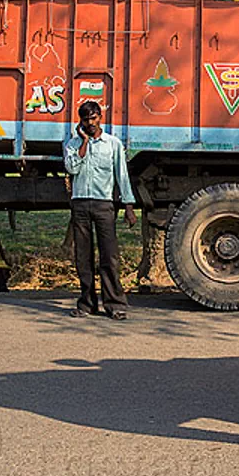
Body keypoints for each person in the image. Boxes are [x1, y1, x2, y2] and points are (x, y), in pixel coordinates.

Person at [63, 100, 137, 319]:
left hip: (104, 204)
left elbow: (121, 176)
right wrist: (84, 142)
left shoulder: (112, 144)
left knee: (109, 256)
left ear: (100, 117)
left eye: (93, 118)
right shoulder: (73, 144)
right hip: (80, 204)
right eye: (86, 119)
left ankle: (114, 305)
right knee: (83, 257)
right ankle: (87, 304)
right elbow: (71, 168)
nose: (90, 123)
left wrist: (129, 207)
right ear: (81, 121)